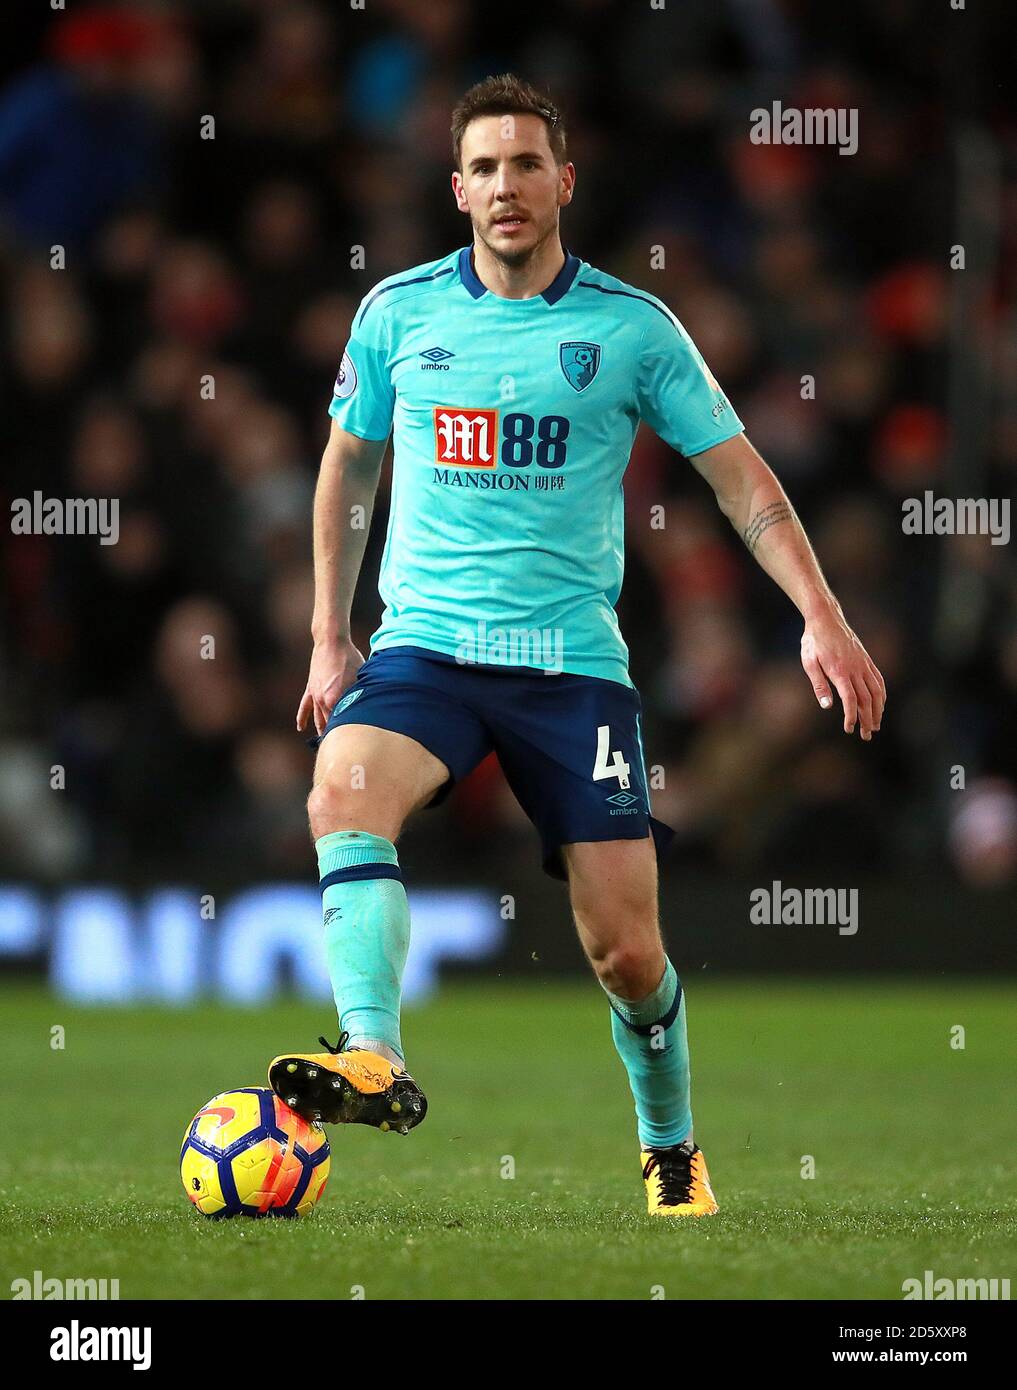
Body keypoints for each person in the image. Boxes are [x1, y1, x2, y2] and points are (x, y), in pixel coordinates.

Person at [268, 74, 886, 1217]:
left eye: (527, 164)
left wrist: (821, 614)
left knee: (626, 958)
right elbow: (347, 467)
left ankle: (670, 1147)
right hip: (428, 651)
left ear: (565, 180)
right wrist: (327, 634)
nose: (507, 186)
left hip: (571, 672)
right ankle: (372, 1051)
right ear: (457, 189)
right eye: (486, 168)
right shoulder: (399, 314)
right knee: (341, 790)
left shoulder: (632, 329)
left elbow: (742, 482)